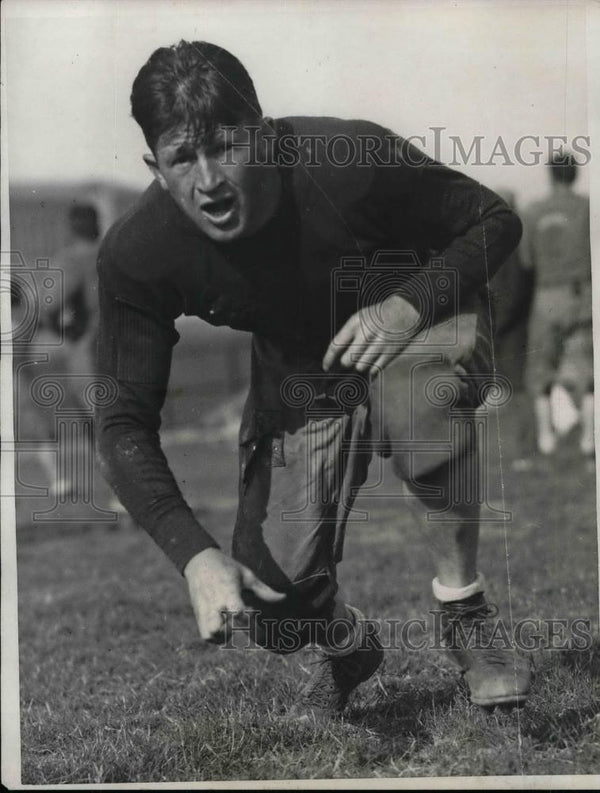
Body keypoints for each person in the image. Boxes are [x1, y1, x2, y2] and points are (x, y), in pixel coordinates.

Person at [96, 40, 531, 721]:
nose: (209, 179)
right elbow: (121, 421)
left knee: (422, 406)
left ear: (264, 136)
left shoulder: (346, 162)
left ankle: (463, 606)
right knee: (272, 604)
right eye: (184, 157)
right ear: (156, 165)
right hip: (305, 362)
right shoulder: (139, 251)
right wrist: (194, 555)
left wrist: (407, 304)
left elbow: (494, 219)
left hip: (414, 315)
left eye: (228, 146)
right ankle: (347, 639)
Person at [521, 151, 594, 457]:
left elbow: (525, 261)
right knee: (587, 370)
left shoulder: (532, 211)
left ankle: (545, 438)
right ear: (575, 174)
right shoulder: (588, 208)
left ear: (550, 175)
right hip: (583, 295)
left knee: (541, 369)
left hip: (546, 294)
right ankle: (589, 439)